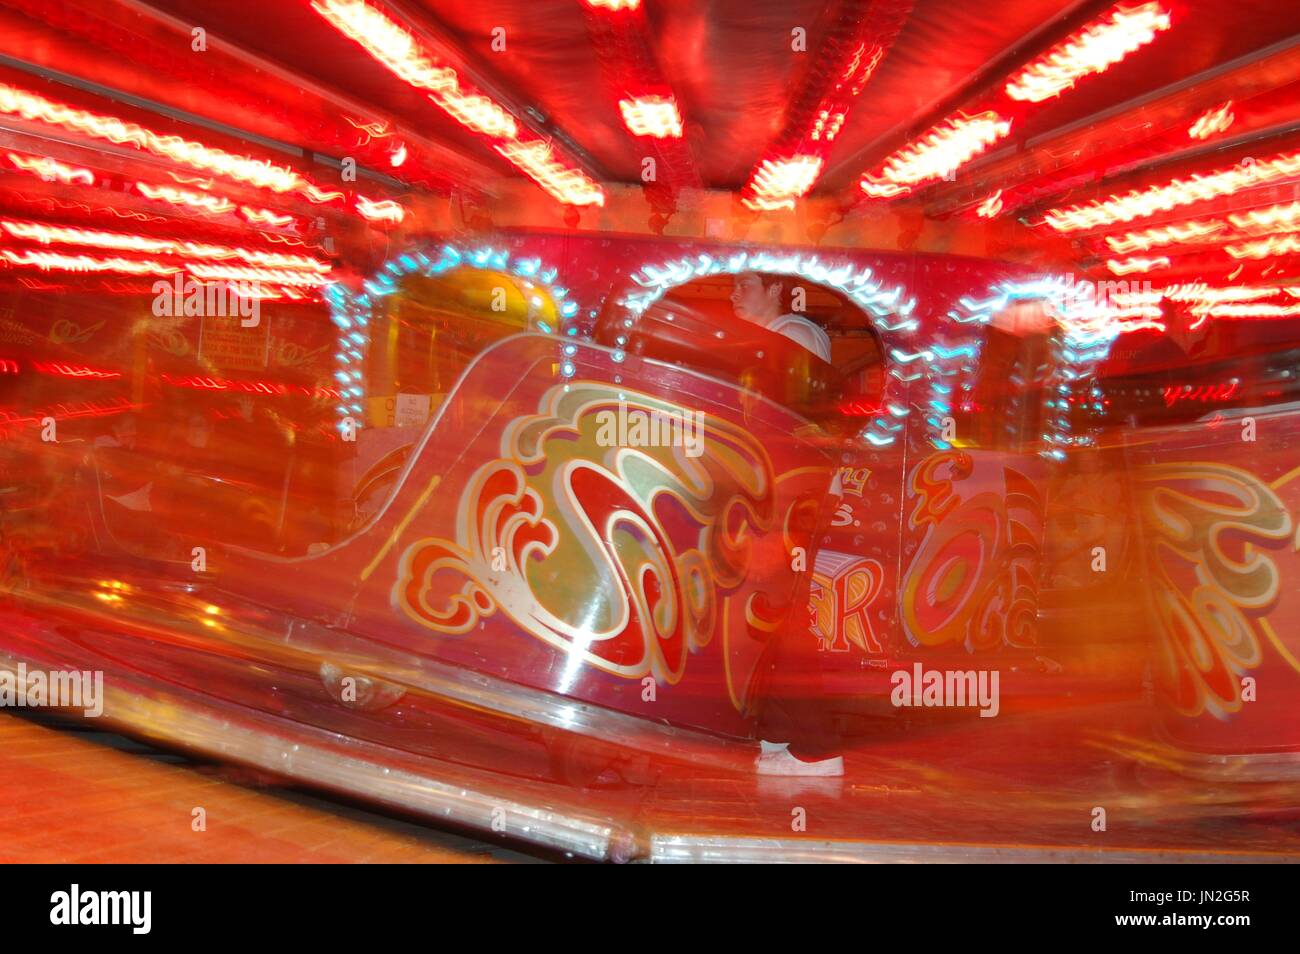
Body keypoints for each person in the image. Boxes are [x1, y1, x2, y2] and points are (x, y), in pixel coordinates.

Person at [730, 272, 844, 776]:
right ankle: (778, 735)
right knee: (772, 616)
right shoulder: (766, 342)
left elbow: (785, 420)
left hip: (795, 497)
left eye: (744, 284)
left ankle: (820, 748)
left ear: (776, 290)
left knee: (789, 618)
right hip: (776, 495)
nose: (733, 294)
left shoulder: (797, 335)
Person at [730, 272, 833, 363]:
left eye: (744, 286)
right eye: (734, 287)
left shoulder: (792, 334)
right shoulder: (781, 333)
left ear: (774, 289)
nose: (733, 295)